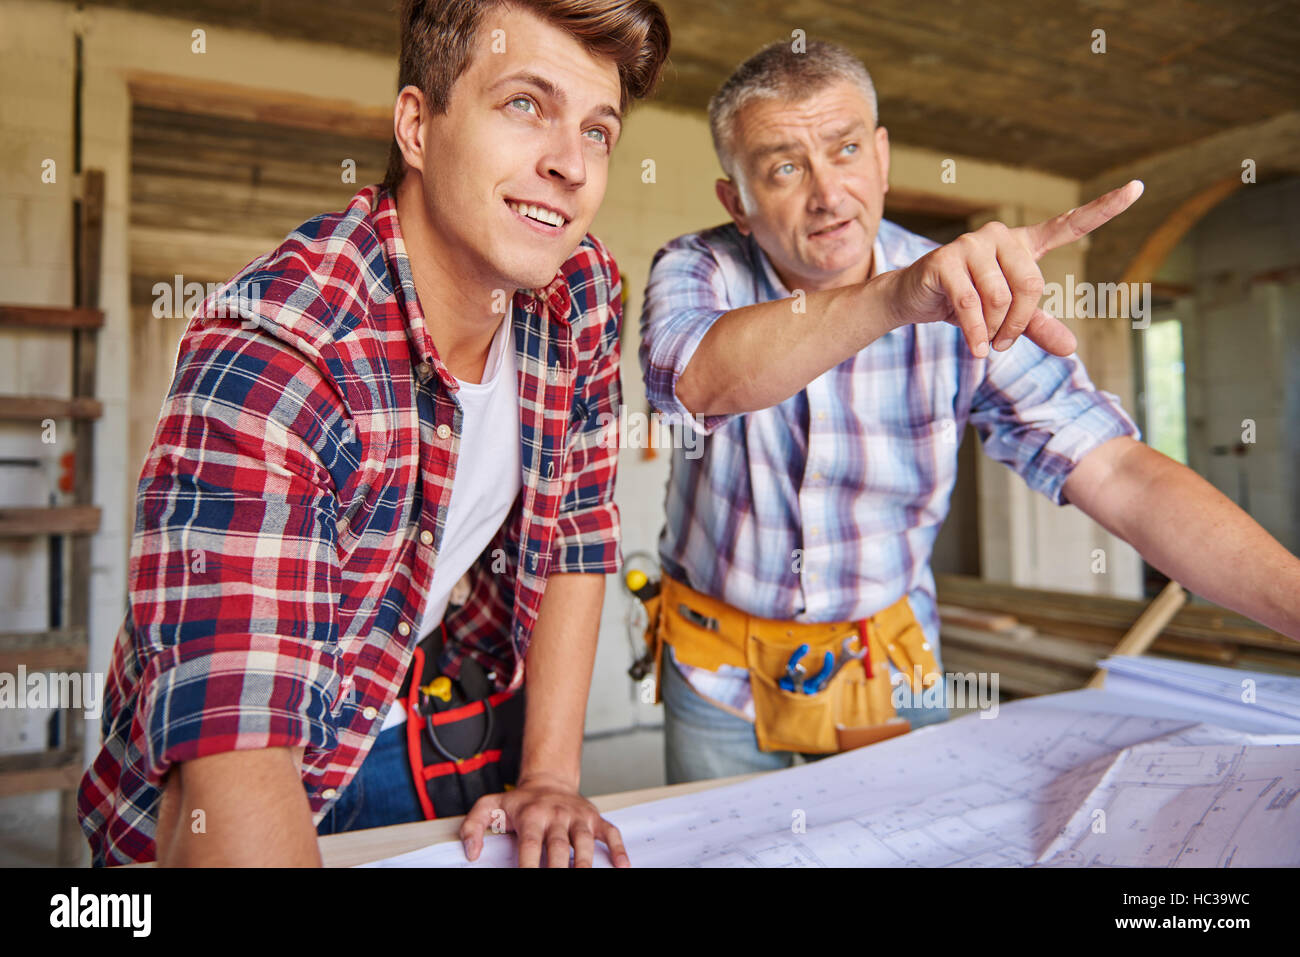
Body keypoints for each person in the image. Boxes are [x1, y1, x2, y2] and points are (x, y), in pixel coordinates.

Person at [78, 0, 670, 867]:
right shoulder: (278, 351)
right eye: (524, 105)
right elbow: (235, 744)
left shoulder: (579, 292)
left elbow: (576, 530)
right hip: (229, 788)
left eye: (600, 130)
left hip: (417, 731)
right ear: (417, 126)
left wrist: (549, 775)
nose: (572, 164)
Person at [638, 39, 1300, 783]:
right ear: (738, 201)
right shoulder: (699, 264)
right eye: (785, 168)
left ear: (882, 157)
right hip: (716, 668)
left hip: (889, 661)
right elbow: (692, 381)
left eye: (846, 149)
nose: (829, 193)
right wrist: (892, 300)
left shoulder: (962, 292)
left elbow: (1118, 471)